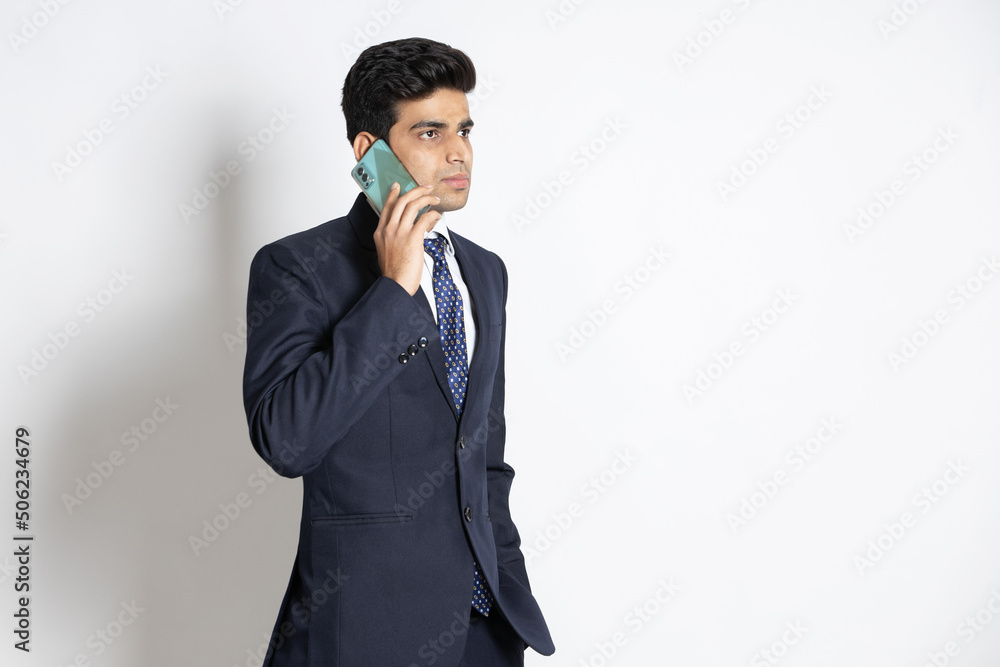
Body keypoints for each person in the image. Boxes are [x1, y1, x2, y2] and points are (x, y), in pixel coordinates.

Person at [242, 37, 554, 666]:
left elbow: (484, 457)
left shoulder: (484, 272)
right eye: (431, 132)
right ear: (370, 152)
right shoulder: (297, 267)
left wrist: (510, 589)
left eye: (463, 129)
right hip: (365, 629)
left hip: (486, 629)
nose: (459, 150)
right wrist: (391, 289)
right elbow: (287, 442)